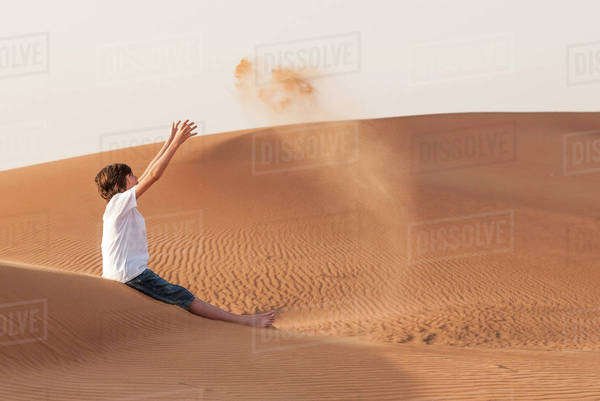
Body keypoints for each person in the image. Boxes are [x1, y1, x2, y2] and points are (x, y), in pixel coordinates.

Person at [94, 120, 276, 328]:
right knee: (184, 296)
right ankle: (244, 321)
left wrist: (170, 140)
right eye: (131, 176)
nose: (136, 178)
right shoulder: (119, 203)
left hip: (122, 274)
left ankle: (243, 320)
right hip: (131, 275)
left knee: (177, 294)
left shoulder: (117, 207)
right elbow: (153, 176)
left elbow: (147, 173)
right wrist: (177, 144)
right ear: (122, 182)